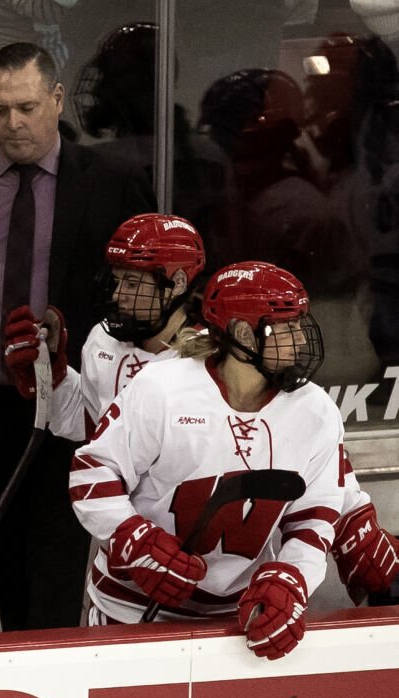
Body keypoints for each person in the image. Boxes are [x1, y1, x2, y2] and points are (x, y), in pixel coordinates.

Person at [0, 41, 153, 632]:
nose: (13, 123)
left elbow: (143, 303)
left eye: (25, 107)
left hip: (73, 420)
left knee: (54, 592)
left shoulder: (112, 181)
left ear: (55, 99)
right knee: (7, 589)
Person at [67, 262, 345, 658]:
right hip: (131, 608)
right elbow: (92, 473)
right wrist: (134, 540)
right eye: (287, 326)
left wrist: (291, 579)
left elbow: (313, 518)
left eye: (301, 322)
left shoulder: (315, 410)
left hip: (237, 620)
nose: (301, 339)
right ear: (243, 333)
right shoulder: (162, 388)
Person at [44, 213, 206, 443]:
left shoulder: (209, 360)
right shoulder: (103, 338)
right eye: (118, 281)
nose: (118, 295)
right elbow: (90, 425)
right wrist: (51, 374)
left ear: (178, 283)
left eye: (132, 283)